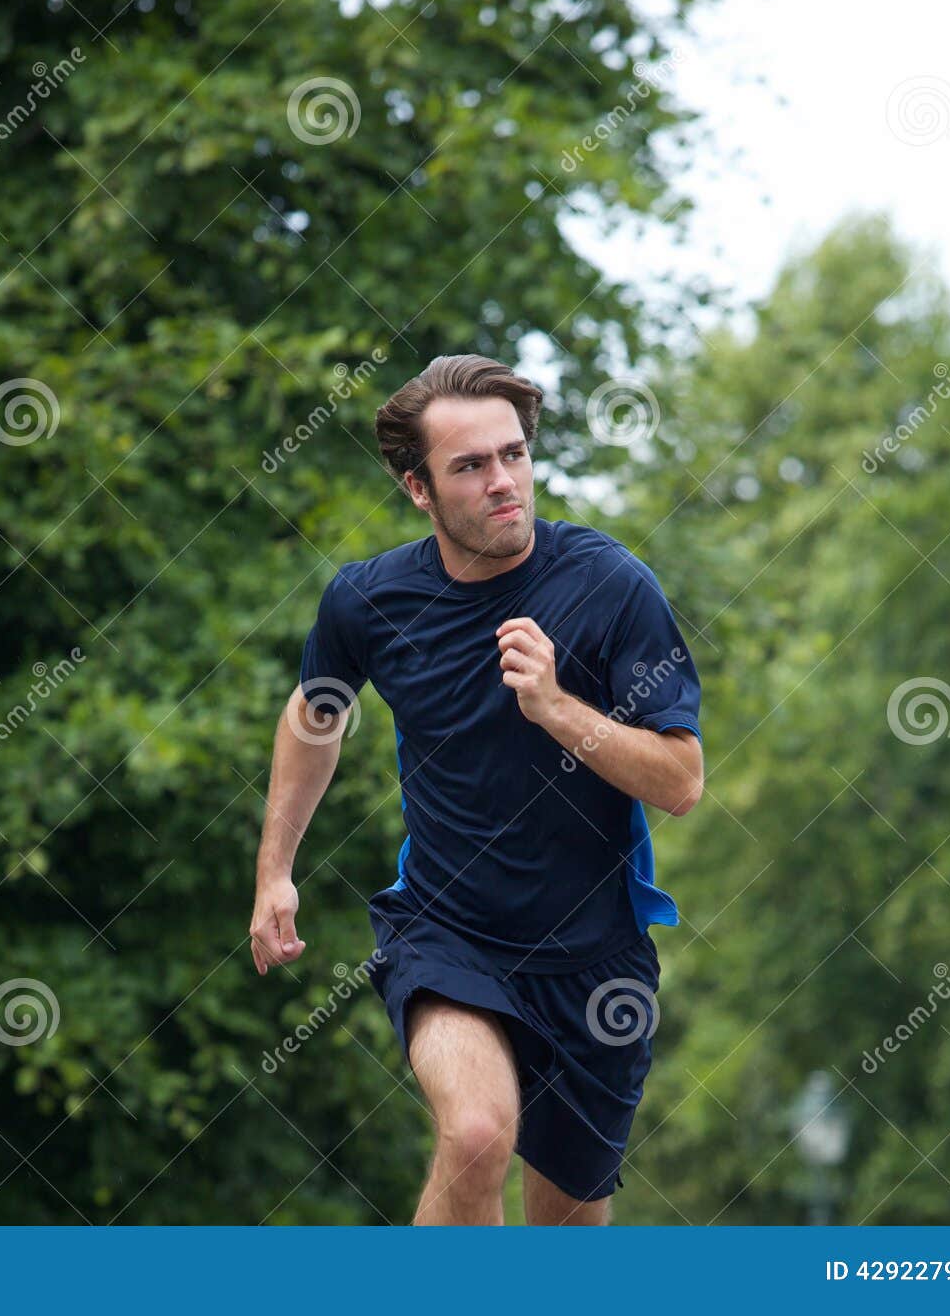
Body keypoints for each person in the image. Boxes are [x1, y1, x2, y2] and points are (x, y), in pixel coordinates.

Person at [249, 354, 703, 1225]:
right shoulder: (370, 602)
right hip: (448, 929)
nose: (504, 482)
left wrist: (558, 709)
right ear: (419, 489)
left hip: (595, 962)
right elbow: (316, 715)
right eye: (471, 465)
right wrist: (277, 869)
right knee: (477, 1133)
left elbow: (681, 782)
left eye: (514, 455)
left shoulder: (610, 587)